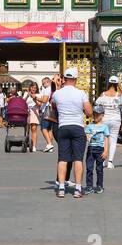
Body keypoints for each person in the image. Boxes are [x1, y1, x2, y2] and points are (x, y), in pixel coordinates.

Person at [51, 67, 91, 198]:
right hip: (77, 126)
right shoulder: (81, 93)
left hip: (63, 127)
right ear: (75, 79)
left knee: (62, 158)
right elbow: (89, 111)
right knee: (78, 159)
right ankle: (78, 188)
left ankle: (61, 188)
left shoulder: (57, 94)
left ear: (64, 79)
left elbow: (53, 106)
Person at [94, 76, 122, 168]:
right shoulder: (118, 95)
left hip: (104, 119)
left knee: (104, 140)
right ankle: (110, 162)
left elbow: (96, 104)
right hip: (115, 119)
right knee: (113, 140)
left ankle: (103, 160)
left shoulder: (103, 94)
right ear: (117, 84)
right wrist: (120, 87)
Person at [85, 109, 109, 193]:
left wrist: (106, 151)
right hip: (91, 149)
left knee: (99, 169)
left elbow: (106, 139)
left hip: (100, 149)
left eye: (97, 115)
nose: (95, 116)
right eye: (94, 114)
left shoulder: (104, 127)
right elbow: (87, 137)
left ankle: (99, 185)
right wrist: (88, 137)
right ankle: (89, 186)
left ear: (102, 115)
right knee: (89, 168)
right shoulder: (89, 126)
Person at [36, 77, 57, 152]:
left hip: (46, 110)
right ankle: (50, 144)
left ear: (48, 82)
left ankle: (49, 144)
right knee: (49, 129)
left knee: (43, 128)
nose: (43, 85)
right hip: (51, 110)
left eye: (43, 83)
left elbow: (44, 100)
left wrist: (36, 97)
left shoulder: (47, 89)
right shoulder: (52, 89)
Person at [24, 83, 41, 153]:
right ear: (30, 88)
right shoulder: (26, 93)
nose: (33, 89)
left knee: (33, 129)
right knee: (27, 129)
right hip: (27, 111)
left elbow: (39, 104)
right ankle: (27, 144)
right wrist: (27, 96)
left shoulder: (38, 95)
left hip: (34, 111)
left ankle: (34, 146)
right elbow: (22, 102)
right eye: (32, 87)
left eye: (35, 88)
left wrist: (34, 99)